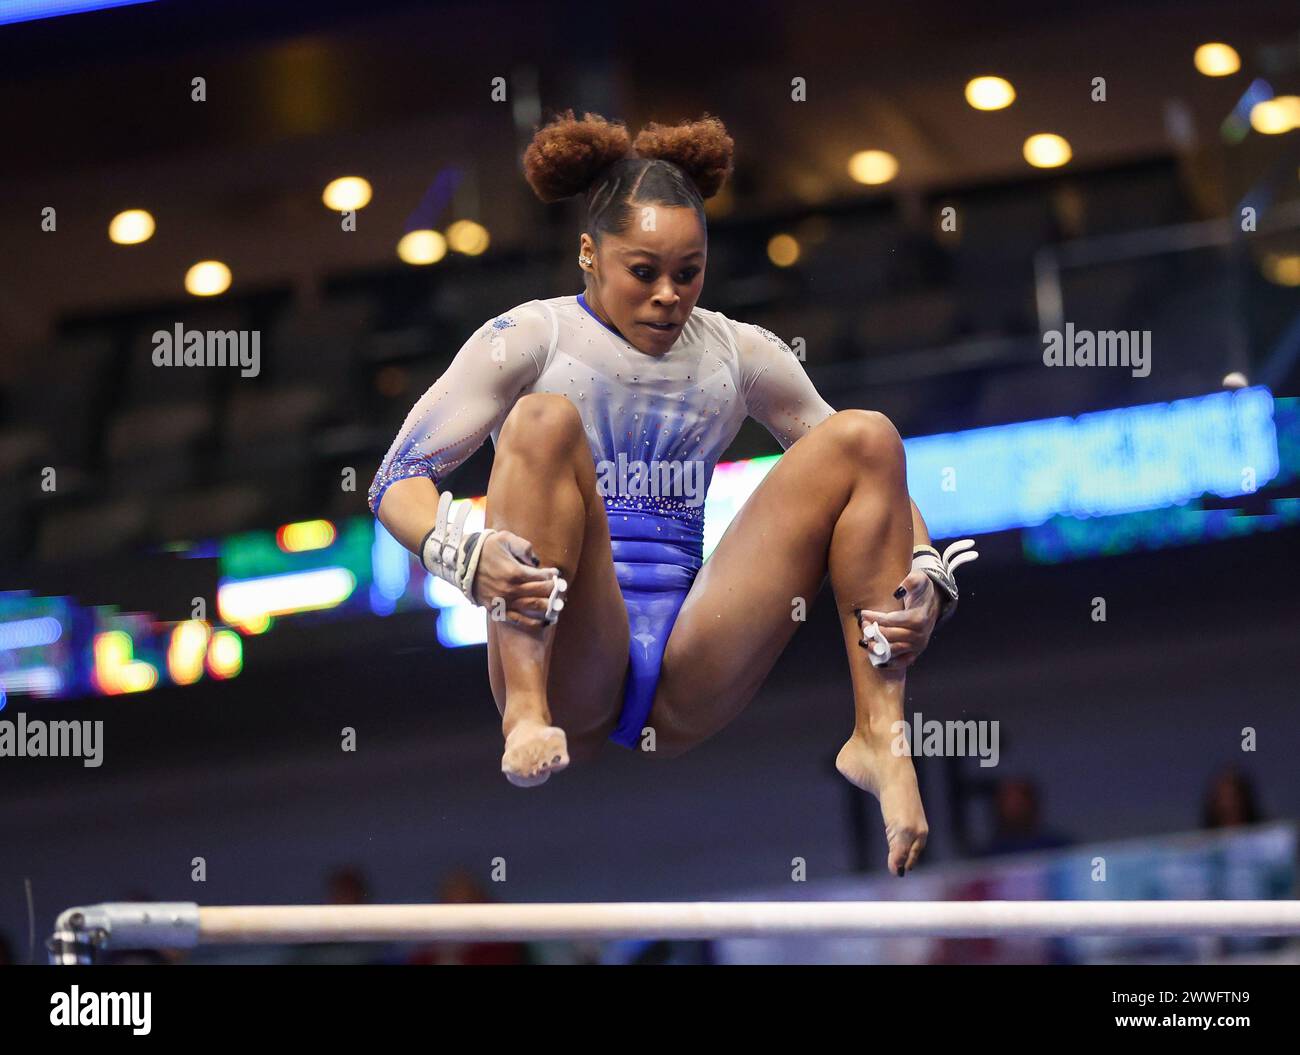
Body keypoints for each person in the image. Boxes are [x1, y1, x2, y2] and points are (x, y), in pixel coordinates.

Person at [368, 110, 978, 876]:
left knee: (867, 437)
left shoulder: (739, 350)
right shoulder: (529, 336)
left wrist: (923, 569)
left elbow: (874, 482)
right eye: (643, 271)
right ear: (588, 254)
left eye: (688, 273)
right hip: (568, 650)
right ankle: (524, 710)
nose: (668, 295)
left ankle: (880, 738)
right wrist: (462, 553)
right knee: (542, 420)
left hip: (696, 649)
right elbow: (395, 481)